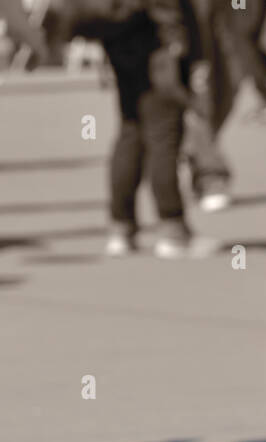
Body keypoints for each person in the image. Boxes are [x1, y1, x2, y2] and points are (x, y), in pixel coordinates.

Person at [60, 0, 203, 257]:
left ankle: (121, 227)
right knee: (163, 133)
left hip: (119, 35)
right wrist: (181, 44)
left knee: (131, 129)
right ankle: (172, 227)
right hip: (154, 37)